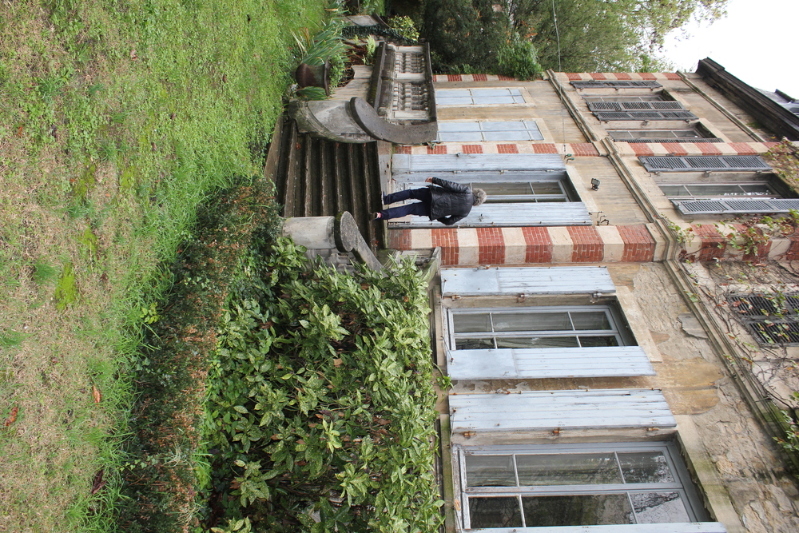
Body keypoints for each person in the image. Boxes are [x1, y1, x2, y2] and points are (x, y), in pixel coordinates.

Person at [374, 177, 487, 225]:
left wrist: (434, 180)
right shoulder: (465, 212)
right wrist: (439, 215)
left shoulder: (467, 191)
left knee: (410, 193)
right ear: (477, 203)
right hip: (432, 210)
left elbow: (450, 185)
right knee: (408, 209)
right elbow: (449, 222)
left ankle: (386, 199)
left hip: (433, 195)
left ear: (475, 192)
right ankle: (380, 215)